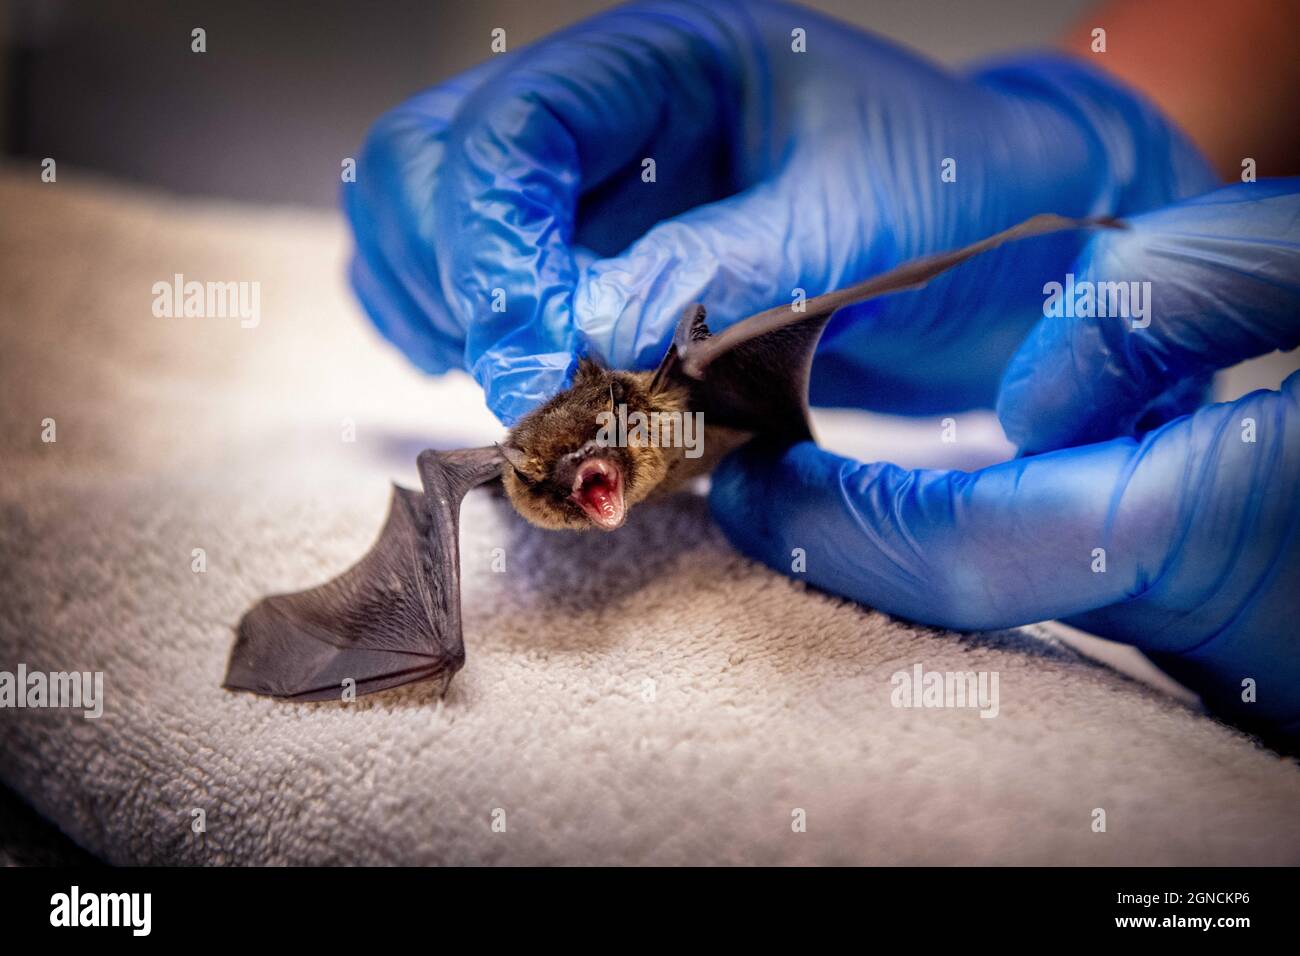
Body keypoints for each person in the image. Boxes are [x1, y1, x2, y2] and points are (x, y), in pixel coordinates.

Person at [343, 0, 1299, 746]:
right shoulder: (527, 471)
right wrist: (1130, 129)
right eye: (576, 480)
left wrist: (1094, 161)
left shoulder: (662, 401)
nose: (589, 483)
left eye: (585, 467)